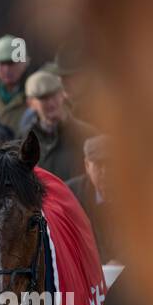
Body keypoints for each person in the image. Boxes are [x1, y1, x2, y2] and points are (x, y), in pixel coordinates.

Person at [21, 71, 96, 183]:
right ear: (30, 103)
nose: (51, 103)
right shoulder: (24, 138)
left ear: (63, 95)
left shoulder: (87, 135)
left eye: (54, 95)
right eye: (44, 98)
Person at [63, 135, 118, 263]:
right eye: (99, 165)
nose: (105, 172)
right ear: (87, 165)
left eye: (110, 164)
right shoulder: (70, 196)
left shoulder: (133, 195)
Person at [0, 34, 30, 134]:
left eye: (12, 63)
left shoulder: (34, 95)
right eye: (2, 64)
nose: (7, 70)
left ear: (24, 63)